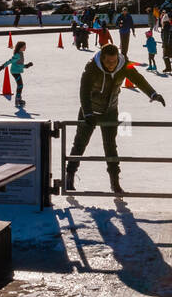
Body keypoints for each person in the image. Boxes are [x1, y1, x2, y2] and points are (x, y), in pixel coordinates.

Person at [64, 44, 165, 195]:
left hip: (110, 111)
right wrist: (88, 114)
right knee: (79, 144)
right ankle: (70, 176)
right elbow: (84, 91)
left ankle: (115, 183)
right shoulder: (92, 67)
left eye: (114, 61)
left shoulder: (124, 64)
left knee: (111, 147)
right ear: (102, 59)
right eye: (108, 62)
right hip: (90, 110)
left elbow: (137, 78)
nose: (112, 65)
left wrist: (153, 94)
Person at [0, 41, 34, 107]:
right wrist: (2, 66)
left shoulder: (21, 53)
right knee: (20, 85)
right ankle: (18, 99)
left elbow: (19, 64)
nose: (25, 48)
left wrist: (26, 66)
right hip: (14, 72)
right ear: (20, 48)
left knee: (20, 85)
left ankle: (18, 99)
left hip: (17, 71)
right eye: (24, 47)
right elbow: (10, 61)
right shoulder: (17, 55)